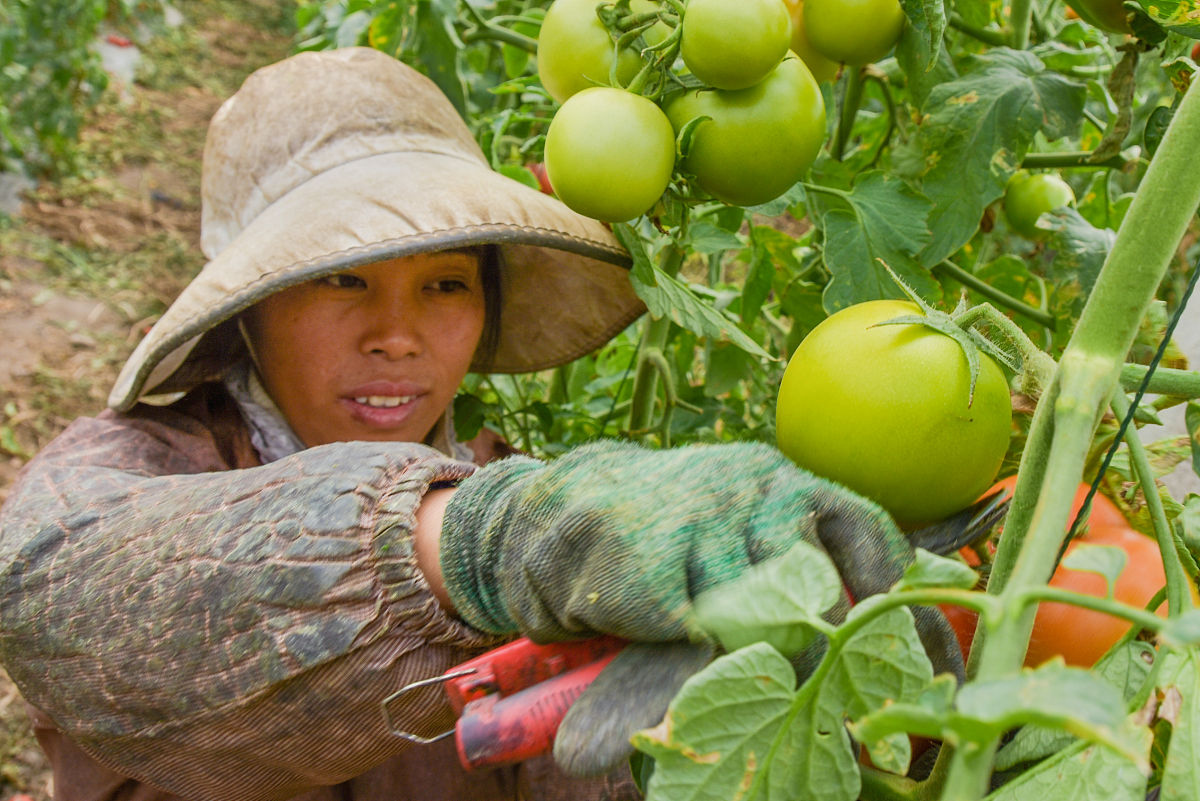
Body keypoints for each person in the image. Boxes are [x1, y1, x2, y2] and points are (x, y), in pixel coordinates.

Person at [0, 48, 968, 801]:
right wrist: (472, 542)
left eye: (446, 285)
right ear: (250, 310)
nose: (397, 335)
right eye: (342, 279)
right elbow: (58, 593)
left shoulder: (548, 518)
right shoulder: (139, 471)